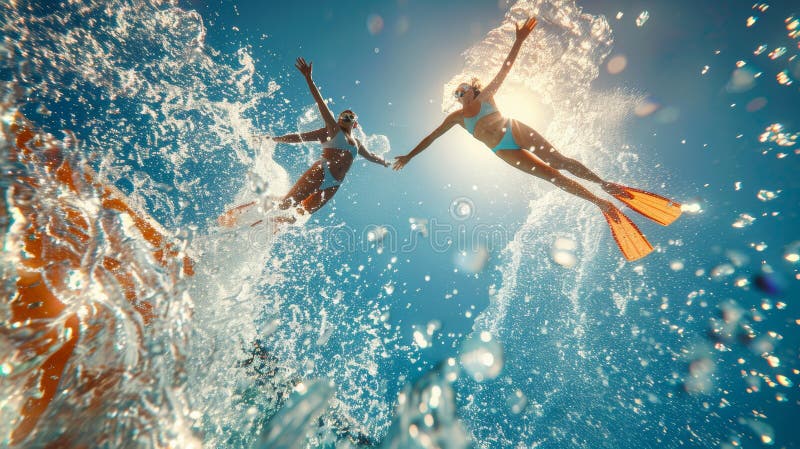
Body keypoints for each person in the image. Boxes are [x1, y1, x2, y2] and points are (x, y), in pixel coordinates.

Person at [392, 18, 681, 261]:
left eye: (463, 88)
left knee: (559, 160)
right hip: (502, 150)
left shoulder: (487, 94)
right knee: (552, 176)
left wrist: (519, 39)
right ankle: (601, 203)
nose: (460, 93)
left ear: (472, 87)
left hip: (513, 129)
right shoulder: (455, 118)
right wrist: (408, 156)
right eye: (456, 93)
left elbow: (505, 68)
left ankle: (606, 185)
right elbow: (432, 137)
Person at [219, 57, 389, 228]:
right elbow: (304, 130)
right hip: (321, 172)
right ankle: (238, 213)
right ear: (338, 120)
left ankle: (256, 229)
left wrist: (383, 162)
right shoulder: (331, 130)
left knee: (296, 217)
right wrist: (309, 79)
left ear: (355, 123)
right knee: (286, 204)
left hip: (334, 185)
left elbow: (371, 156)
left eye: (350, 117)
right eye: (343, 116)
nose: (346, 118)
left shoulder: (357, 144)